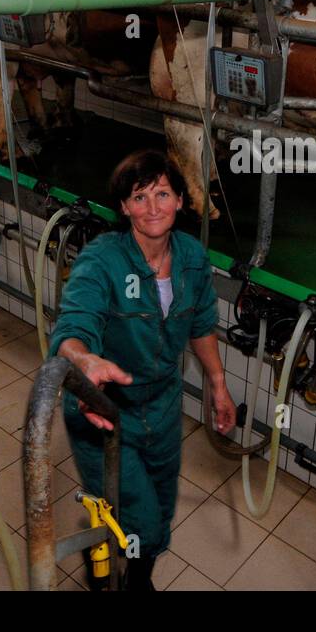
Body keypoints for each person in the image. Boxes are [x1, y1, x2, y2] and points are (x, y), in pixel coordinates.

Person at [49, 149, 237, 590]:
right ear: (123, 206)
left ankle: (131, 569)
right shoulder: (102, 261)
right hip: (103, 411)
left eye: (162, 194)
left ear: (180, 201)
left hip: (164, 405)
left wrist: (218, 385)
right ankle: (125, 577)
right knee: (143, 517)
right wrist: (85, 360)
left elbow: (202, 322)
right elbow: (73, 328)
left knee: (161, 502)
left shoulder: (191, 256)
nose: (152, 207)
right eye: (139, 197)